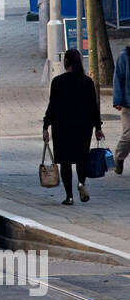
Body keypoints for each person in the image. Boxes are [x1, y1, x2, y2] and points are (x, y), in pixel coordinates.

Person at [43, 47, 104, 205]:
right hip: (83, 127)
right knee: (81, 158)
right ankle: (81, 183)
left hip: (62, 127)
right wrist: (98, 127)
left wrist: (45, 126)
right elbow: (93, 107)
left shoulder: (58, 82)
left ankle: (69, 196)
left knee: (65, 162)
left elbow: (52, 106)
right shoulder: (87, 82)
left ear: (66, 62)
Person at [112, 41, 130, 174]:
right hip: (127, 103)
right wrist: (117, 100)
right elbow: (118, 78)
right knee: (128, 134)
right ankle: (118, 157)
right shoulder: (124, 57)